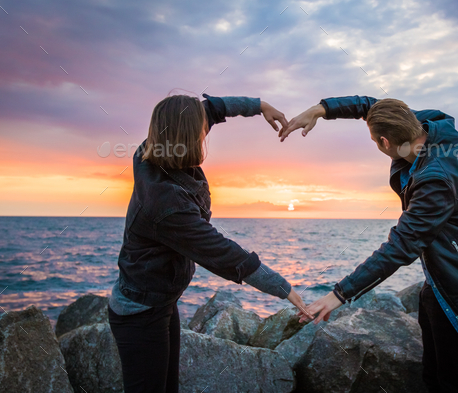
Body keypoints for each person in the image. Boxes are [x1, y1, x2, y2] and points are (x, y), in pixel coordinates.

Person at [280, 96, 458, 393]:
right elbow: (370, 105)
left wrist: (338, 295)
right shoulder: (424, 127)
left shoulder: (436, 180)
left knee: (453, 384)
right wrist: (321, 110)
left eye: (374, 141)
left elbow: (399, 247)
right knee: (432, 378)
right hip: (442, 274)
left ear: (384, 142)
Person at [108, 93, 308, 393]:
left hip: (160, 299)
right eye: (202, 128)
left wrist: (261, 106)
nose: (207, 129)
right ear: (189, 136)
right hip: (140, 312)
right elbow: (225, 255)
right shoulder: (167, 204)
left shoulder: (150, 152)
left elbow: (214, 108)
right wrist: (285, 289)